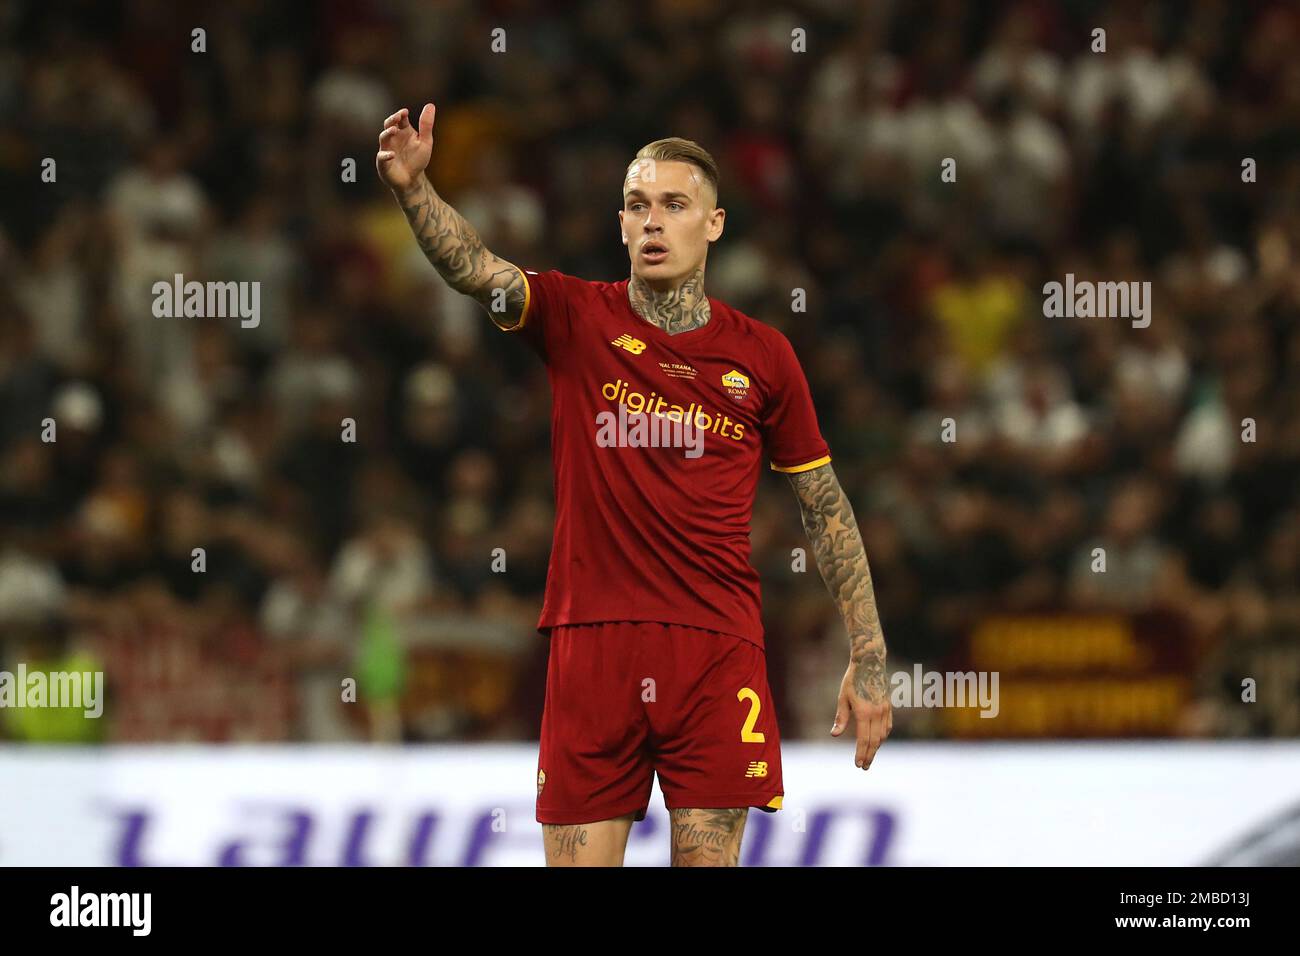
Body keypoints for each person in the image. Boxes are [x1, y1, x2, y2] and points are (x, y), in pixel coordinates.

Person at [377, 103, 891, 866]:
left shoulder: (765, 357)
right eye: (637, 206)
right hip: (593, 646)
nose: (653, 222)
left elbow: (824, 507)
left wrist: (870, 654)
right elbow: (474, 268)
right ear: (620, 225)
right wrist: (414, 190)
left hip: (717, 652)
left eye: (674, 206)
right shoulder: (575, 316)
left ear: (712, 224)